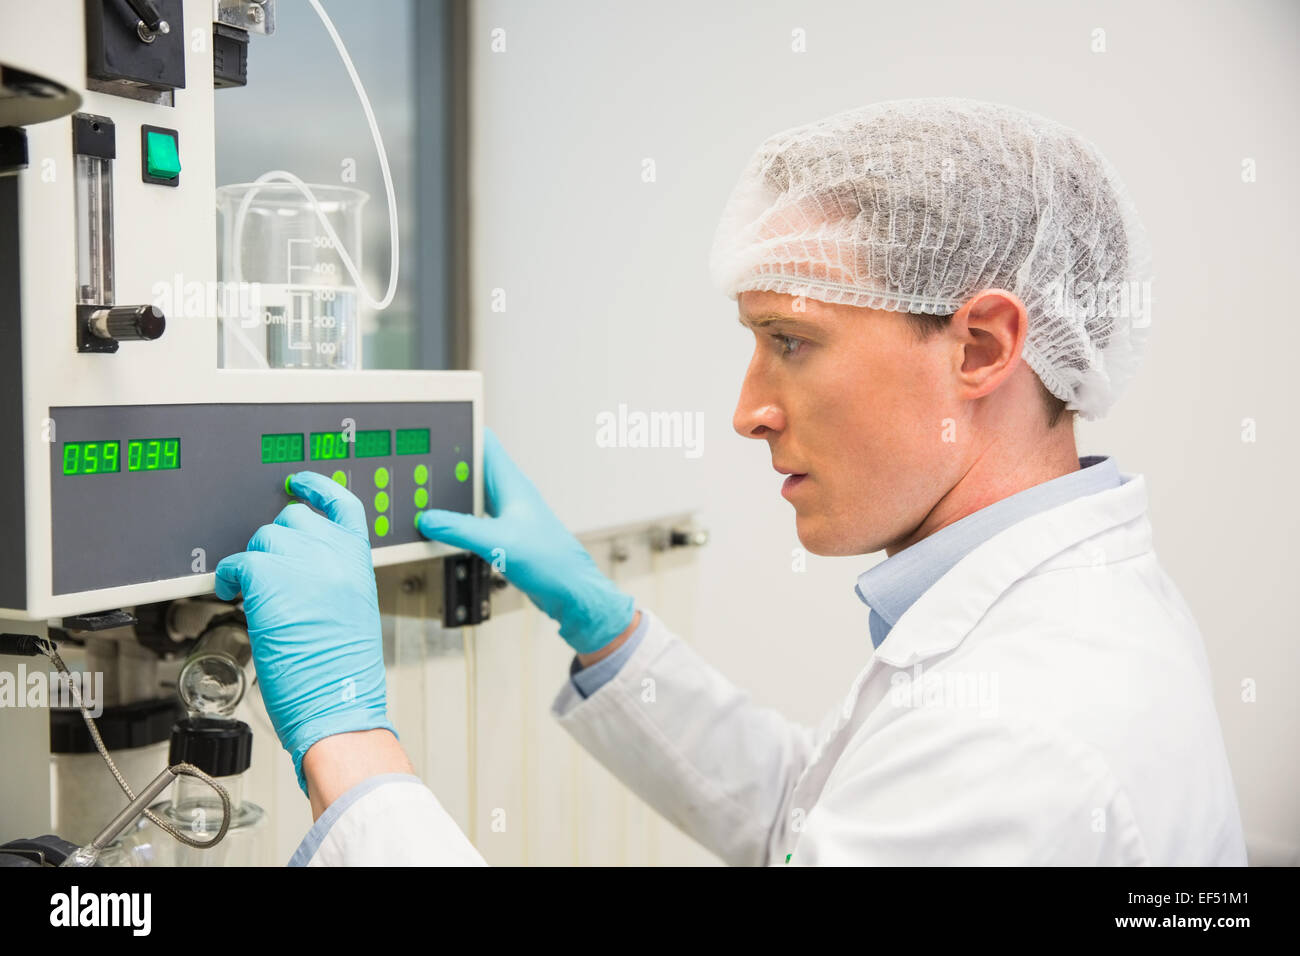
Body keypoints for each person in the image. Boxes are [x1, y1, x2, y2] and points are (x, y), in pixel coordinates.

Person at [215, 98, 1247, 866]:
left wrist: (349, 742)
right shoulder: (1053, 622)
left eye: (790, 341)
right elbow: (810, 819)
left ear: (978, 346)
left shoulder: (1022, 736)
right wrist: (610, 633)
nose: (747, 407)